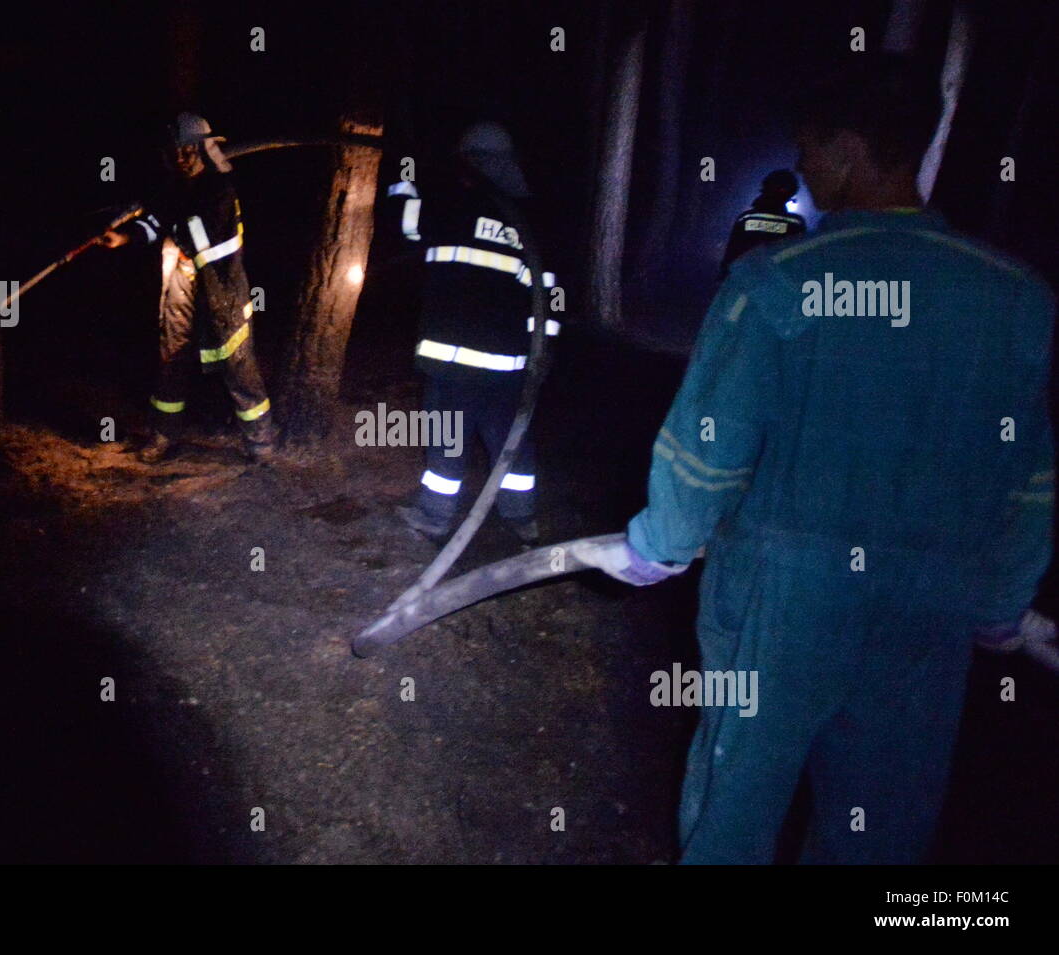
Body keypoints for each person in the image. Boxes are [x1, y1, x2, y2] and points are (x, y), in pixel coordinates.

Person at [581, 56, 1055, 863]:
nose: (803, 167)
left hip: (784, 599)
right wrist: (1003, 604)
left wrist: (659, 543)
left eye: (810, 148)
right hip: (928, 608)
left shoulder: (778, 281)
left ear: (847, 148)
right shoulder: (1013, 297)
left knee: (736, 799)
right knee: (882, 819)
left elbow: (707, 449)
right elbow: (1032, 480)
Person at [387, 121, 557, 546]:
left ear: (470, 163)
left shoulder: (452, 203)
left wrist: (403, 178)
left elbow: (404, 225)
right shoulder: (532, 219)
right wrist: (542, 351)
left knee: (447, 436)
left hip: (453, 358)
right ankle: (521, 518)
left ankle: (434, 516)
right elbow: (549, 292)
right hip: (510, 363)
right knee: (511, 441)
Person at [101, 112, 277, 462]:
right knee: (172, 359)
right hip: (181, 285)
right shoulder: (174, 189)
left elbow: (198, 235)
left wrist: (170, 213)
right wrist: (125, 236)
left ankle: (262, 440)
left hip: (222, 291)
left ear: (203, 149)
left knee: (237, 363)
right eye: (175, 152)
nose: (180, 158)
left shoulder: (220, 189)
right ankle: (163, 435)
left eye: (187, 151)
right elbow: (156, 222)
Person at [718, 169, 806, 279]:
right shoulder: (795, 223)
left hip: (746, 284)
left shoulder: (746, 218)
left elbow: (731, 256)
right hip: (779, 287)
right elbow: (801, 261)